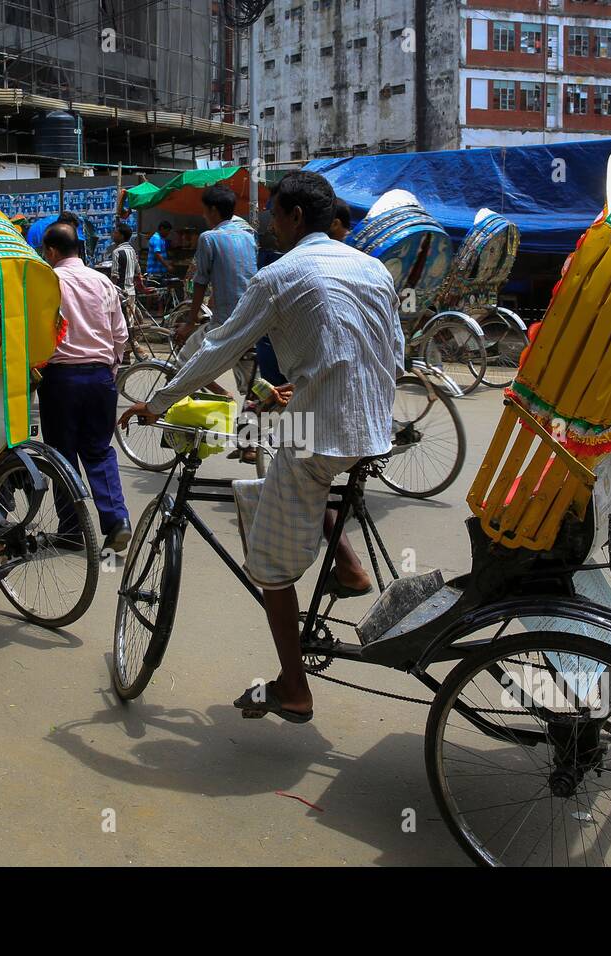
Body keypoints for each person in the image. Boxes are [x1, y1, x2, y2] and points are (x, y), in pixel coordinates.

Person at [120, 171, 405, 724]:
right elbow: (390, 351)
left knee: (271, 567)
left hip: (324, 432)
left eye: (274, 212)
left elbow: (219, 350)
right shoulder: (370, 267)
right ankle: (347, 567)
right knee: (279, 464)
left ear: (296, 217)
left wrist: (157, 403)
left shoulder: (282, 274)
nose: (268, 224)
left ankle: (293, 689)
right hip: (372, 425)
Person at [38, 223, 133, 553]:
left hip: (60, 379)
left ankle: (71, 528)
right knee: (98, 451)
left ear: (51, 251)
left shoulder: (48, 282)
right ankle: (117, 519)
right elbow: (120, 334)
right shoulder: (102, 281)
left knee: (62, 456)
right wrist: (110, 366)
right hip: (100, 378)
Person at [175, 186, 258, 380]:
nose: (204, 216)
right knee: (253, 387)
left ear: (212, 210)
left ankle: (223, 396)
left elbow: (201, 281)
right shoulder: (248, 237)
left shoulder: (208, 238)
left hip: (225, 323)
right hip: (251, 318)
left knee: (183, 362)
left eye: (204, 211)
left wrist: (190, 321)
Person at [109, 222, 149, 362]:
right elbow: (138, 273)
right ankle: (126, 355)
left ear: (121, 235)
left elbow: (114, 275)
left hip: (120, 293)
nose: (113, 234)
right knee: (129, 322)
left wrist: (109, 291)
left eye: (115, 232)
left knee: (120, 324)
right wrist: (142, 287)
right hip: (131, 292)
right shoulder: (132, 251)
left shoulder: (116, 252)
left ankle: (135, 348)